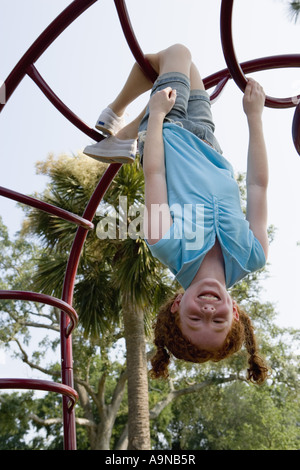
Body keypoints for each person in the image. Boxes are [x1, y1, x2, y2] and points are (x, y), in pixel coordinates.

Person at [83, 44, 270, 384]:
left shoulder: (168, 246)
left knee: (178, 54)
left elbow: (154, 174)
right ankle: (120, 138)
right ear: (236, 313)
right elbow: (257, 186)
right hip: (207, 139)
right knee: (188, 64)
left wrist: (154, 116)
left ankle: (117, 115)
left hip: (166, 133)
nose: (208, 312)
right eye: (217, 321)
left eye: (195, 320)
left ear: (177, 305)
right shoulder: (252, 256)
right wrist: (254, 118)